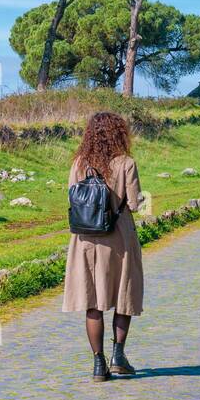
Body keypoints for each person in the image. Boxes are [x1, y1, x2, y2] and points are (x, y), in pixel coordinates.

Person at [64, 111, 144, 383]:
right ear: (118, 133)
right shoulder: (126, 163)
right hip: (118, 237)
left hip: (85, 239)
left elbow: (73, 198)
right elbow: (133, 204)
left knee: (93, 301)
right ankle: (118, 356)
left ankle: (99, 364)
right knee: (124, 295)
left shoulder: (78, 163)